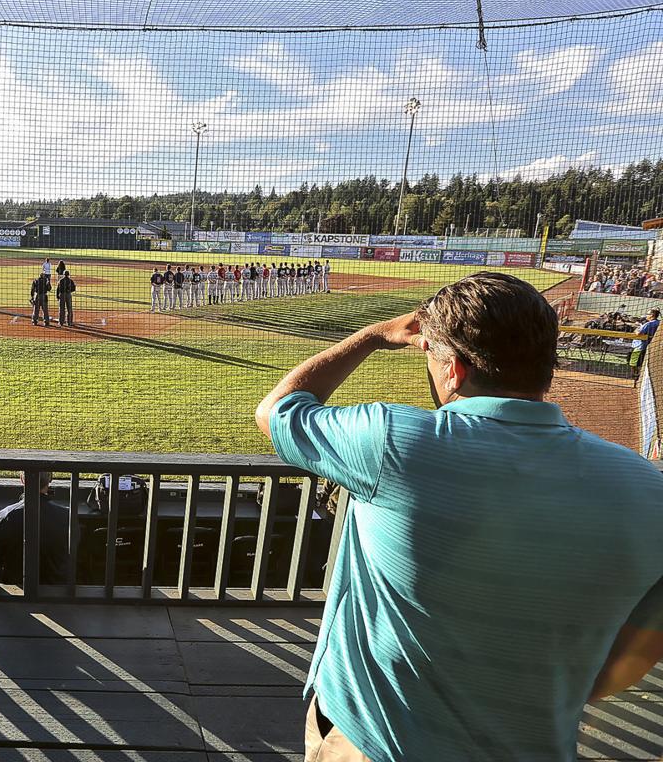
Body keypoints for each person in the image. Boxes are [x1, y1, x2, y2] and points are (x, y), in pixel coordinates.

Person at [254, 272, 663, 762]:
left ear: (456, 370)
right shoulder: (651, 491)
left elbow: (277, 410)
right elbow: (632, 661)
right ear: (544, 364)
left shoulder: (393, 441)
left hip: (375, 743)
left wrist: (371, 336)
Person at [0, 471, 70, 586]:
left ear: (22, 479)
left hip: (16, 590)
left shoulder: (6, 515)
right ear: (50, 479)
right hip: (55, 589)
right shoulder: (66, 516)